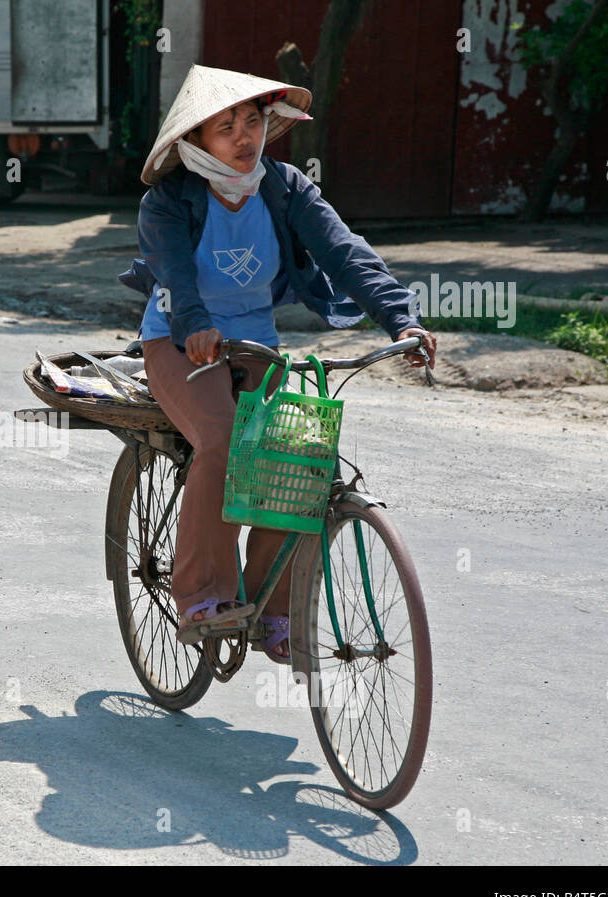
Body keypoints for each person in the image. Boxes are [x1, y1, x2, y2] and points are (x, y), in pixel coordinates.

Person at [124, 65, 436, 660]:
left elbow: (345, 253)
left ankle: (270, 607)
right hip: (178, 340)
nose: (245, 138)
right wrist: (194, 327)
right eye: (225, 127)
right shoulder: (167, 202)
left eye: (253, 121)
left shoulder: (285, 188)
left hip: (255, 345)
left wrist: (402, 318)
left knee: (296, 454)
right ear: (195, 142)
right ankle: (201, 596)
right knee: (220, 440)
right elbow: (174, 275)